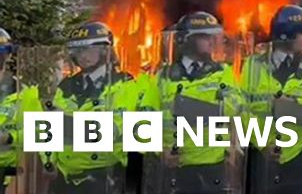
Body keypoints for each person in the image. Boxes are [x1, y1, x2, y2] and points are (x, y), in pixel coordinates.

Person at [144, 11, 244, 194]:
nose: (211, 42)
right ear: (186, 40)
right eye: (204, 37)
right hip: (174, 163)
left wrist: (192, 107)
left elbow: (235, 107)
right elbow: (145, 117)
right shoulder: (162, 77)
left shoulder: (222, 72)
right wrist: (160, 150)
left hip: (212, 163)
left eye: (212, 37)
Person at [40, 22, 138, 194]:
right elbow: (48, 127)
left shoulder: (125, 83)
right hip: (64, 178)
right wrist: (49, 160)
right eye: (78, 51)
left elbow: (113, 130)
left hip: (105, 177)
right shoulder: (66, 85)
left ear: (104, 50)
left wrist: (66, 122)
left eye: (88, 49)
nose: (83, 56)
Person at [242, 5, 302, 194]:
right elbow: (242, 110)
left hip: (299, 154)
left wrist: (293, 106)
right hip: (260, 155)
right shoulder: (253, 66)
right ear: (285, 35)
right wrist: (264, 143)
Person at [0, 27, 41, 194]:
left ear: (7, 56)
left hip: (8, 177)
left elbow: (42, 133)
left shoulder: (24, 94)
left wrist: (9, 138)